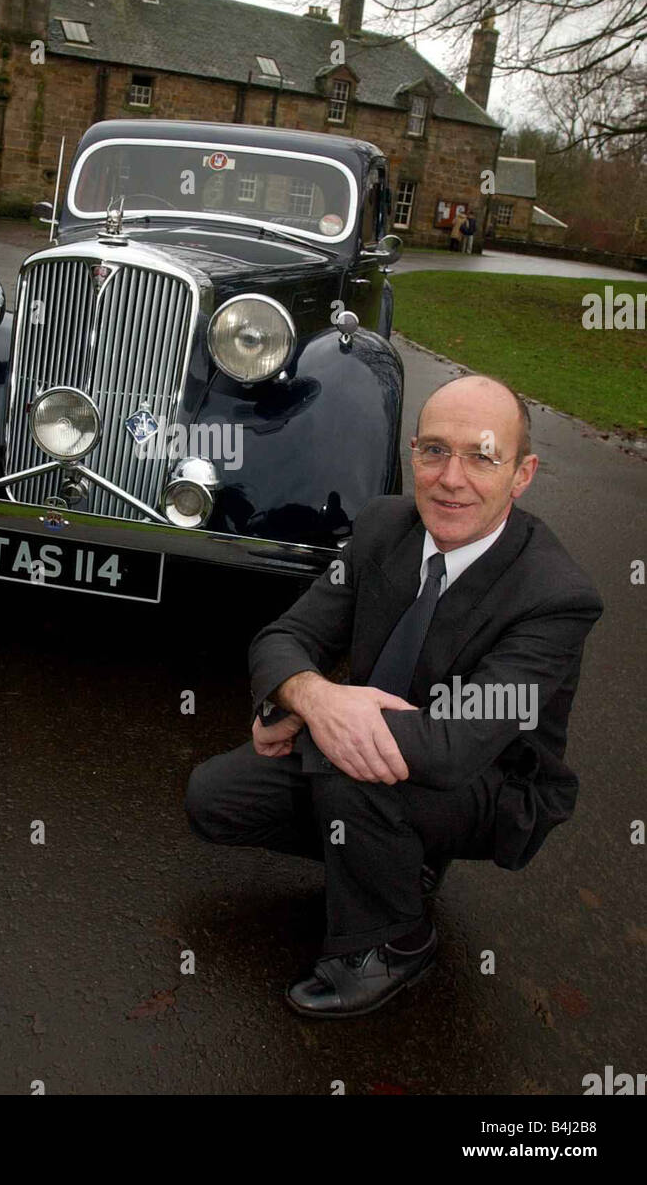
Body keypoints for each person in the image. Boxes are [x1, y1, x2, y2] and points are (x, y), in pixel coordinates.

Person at [185, 375, 603, 1019]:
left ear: (522, 475)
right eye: (433, 450)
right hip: (378, 748)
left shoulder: (556, 597)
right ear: (413, 454)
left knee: (360, 771)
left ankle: (398, 939)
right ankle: (394, 854)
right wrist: (313, 698)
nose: (450, 478)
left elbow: (457, 742)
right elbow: (287, 635)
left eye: (482, 456)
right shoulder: (385, 526)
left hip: (494, 782)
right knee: (214, 799)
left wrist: (324, 715)